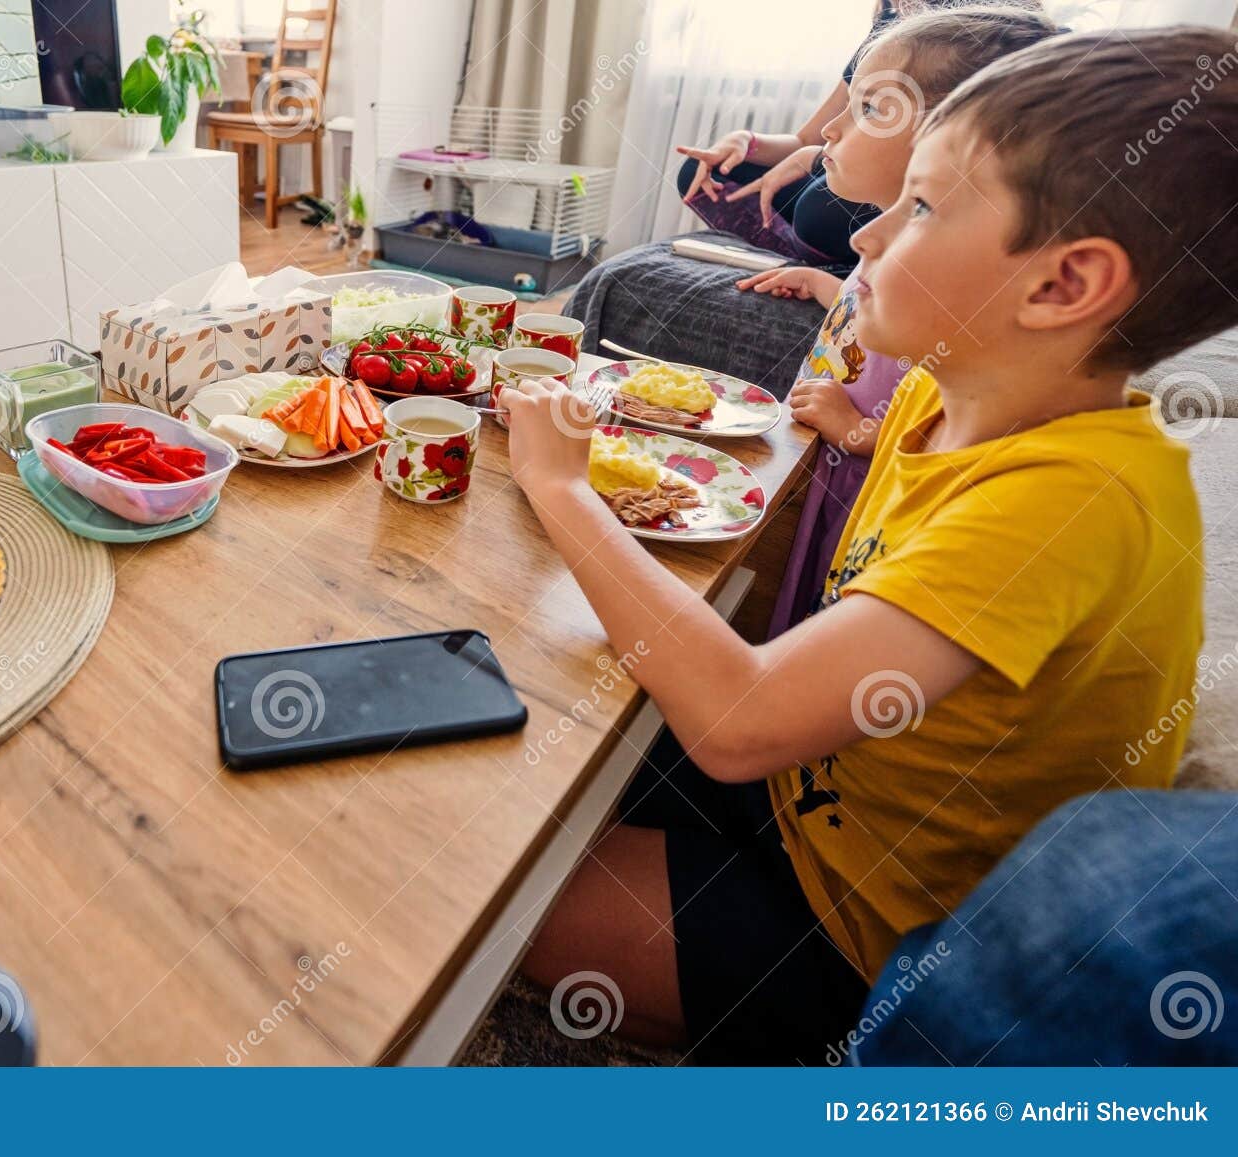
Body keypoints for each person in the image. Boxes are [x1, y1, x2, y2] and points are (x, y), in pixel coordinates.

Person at [498, 24, 1234, 1063]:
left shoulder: (1078, 501)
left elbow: (739, 722)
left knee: (506, 901)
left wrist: (561, 487)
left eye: (922, 207)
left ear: (1062, 286)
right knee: (535, 738)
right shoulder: (940, 385)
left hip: (874, 932)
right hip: (817, 802)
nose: (863, 236)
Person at [732, 6, 1058, 639]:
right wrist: (832, 288)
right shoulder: (890, 239)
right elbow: (890, 336)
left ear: (953, 140)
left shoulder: (959, 273)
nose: (827, 129)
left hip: (863, 488)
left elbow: (967, 439)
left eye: (871, 110)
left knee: (823, 614)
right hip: (821, 463)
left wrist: (859, 434)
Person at [674, 0, 940, 265]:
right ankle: (804, 254)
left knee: (818, 209)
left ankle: (826, 261)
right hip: (841, 164)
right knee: (702, 170)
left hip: (898, 184)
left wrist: (813, 158)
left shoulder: (959, 37)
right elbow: (808, 138)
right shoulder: (888, 21)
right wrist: (747, 141)